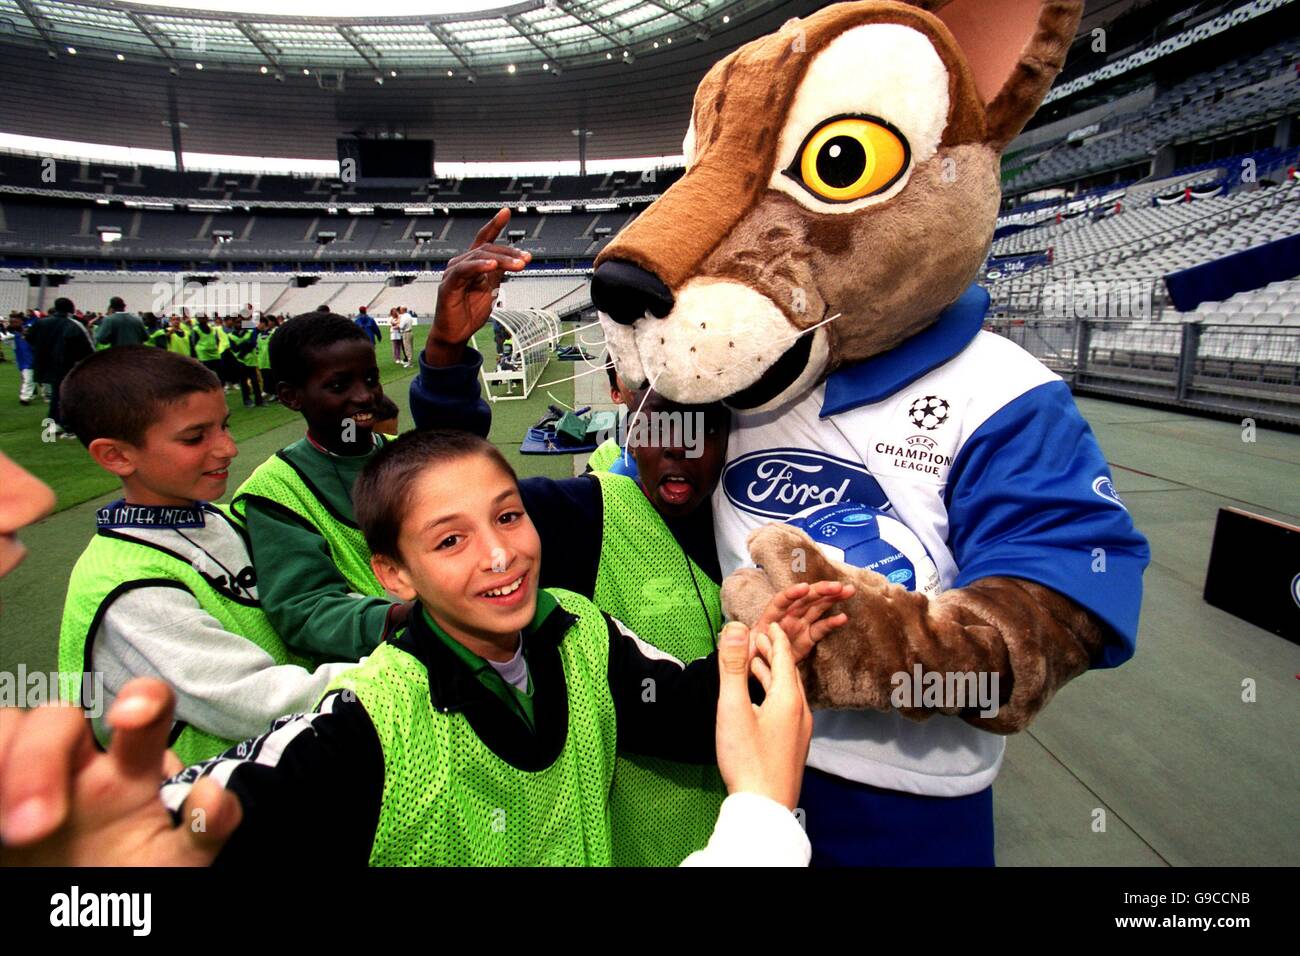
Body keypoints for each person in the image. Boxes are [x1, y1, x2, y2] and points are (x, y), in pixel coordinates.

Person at [0, 431, 823, 866]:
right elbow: (209, 820)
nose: (501, 556)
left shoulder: (579, 630)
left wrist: (778, 659)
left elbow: (687, 714)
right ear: (393, 574)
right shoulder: (362, 730)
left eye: (508, 516)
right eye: (451, 540)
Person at [410, 208, 853, 865]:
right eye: (658, 433)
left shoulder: (756, 519)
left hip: (774, 831)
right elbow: (453, 488)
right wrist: (448, 357)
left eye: (701, 434)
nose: (678, 456)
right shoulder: (579, 516)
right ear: (631, 433)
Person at [56, 347, 359, 764]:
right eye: (196, 437)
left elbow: (303, 599)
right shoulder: (127, 587)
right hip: (205, 808)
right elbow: (260, 704)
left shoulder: (216, 519)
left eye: (224, 426)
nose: (228, 448)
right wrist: (410, 666)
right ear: (116, 455)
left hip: (274, 775)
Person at [230, 314, 408, 663]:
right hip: (365, 673)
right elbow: (304, 610)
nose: (364, 396)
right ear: (290, 396)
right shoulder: (275, 488)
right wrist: (403, 619)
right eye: (340, 386)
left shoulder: (408, 456)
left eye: (370, 378)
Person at [26, 296, 93, 437]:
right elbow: (86, 347)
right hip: (66, 365)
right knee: (66, 396)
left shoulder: (41, 323)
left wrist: (41, 351)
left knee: (57, 394)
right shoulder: (73, 324)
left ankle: (53, 425)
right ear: (71, 309)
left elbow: (29, 338)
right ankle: (68, 427)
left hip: (45, 364)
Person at [7, 314, 36, 405]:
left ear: (21, 321)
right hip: (24, 360)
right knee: (28, 378)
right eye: (11, 322)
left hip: (34, 359)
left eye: (15, 322)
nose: (13, 324)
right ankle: (27, 396)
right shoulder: (11, 335)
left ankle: (26, 397)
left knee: (31, 379)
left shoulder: (29, 331)